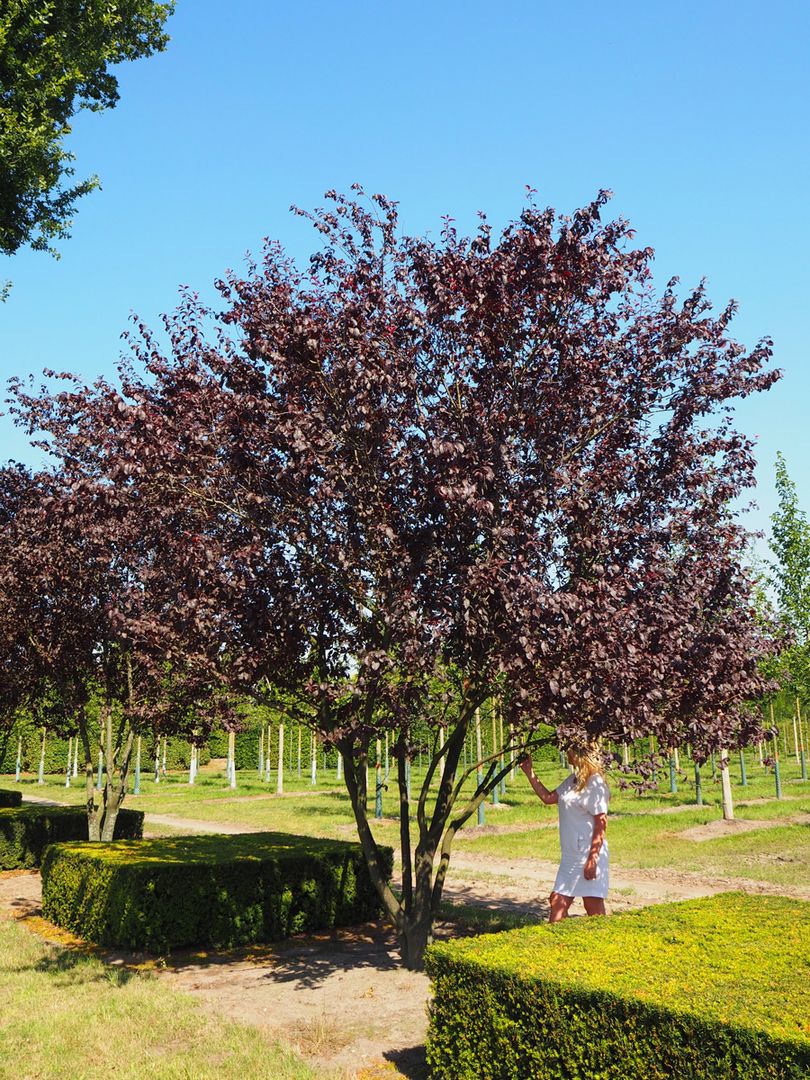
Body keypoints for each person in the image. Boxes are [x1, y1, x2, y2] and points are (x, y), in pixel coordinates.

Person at [520, 746, 610, 923]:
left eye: (569, 749)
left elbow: (601, 823)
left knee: (592, 906)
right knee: (557, 902)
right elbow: (548, 798)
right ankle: (557, 946)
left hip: (588, 854)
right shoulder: (574, 780)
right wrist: (529, 772)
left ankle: (604, 946)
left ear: (580, 754)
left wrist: (592, 859)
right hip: (570, 855)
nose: (565, 752)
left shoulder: (596, 784)